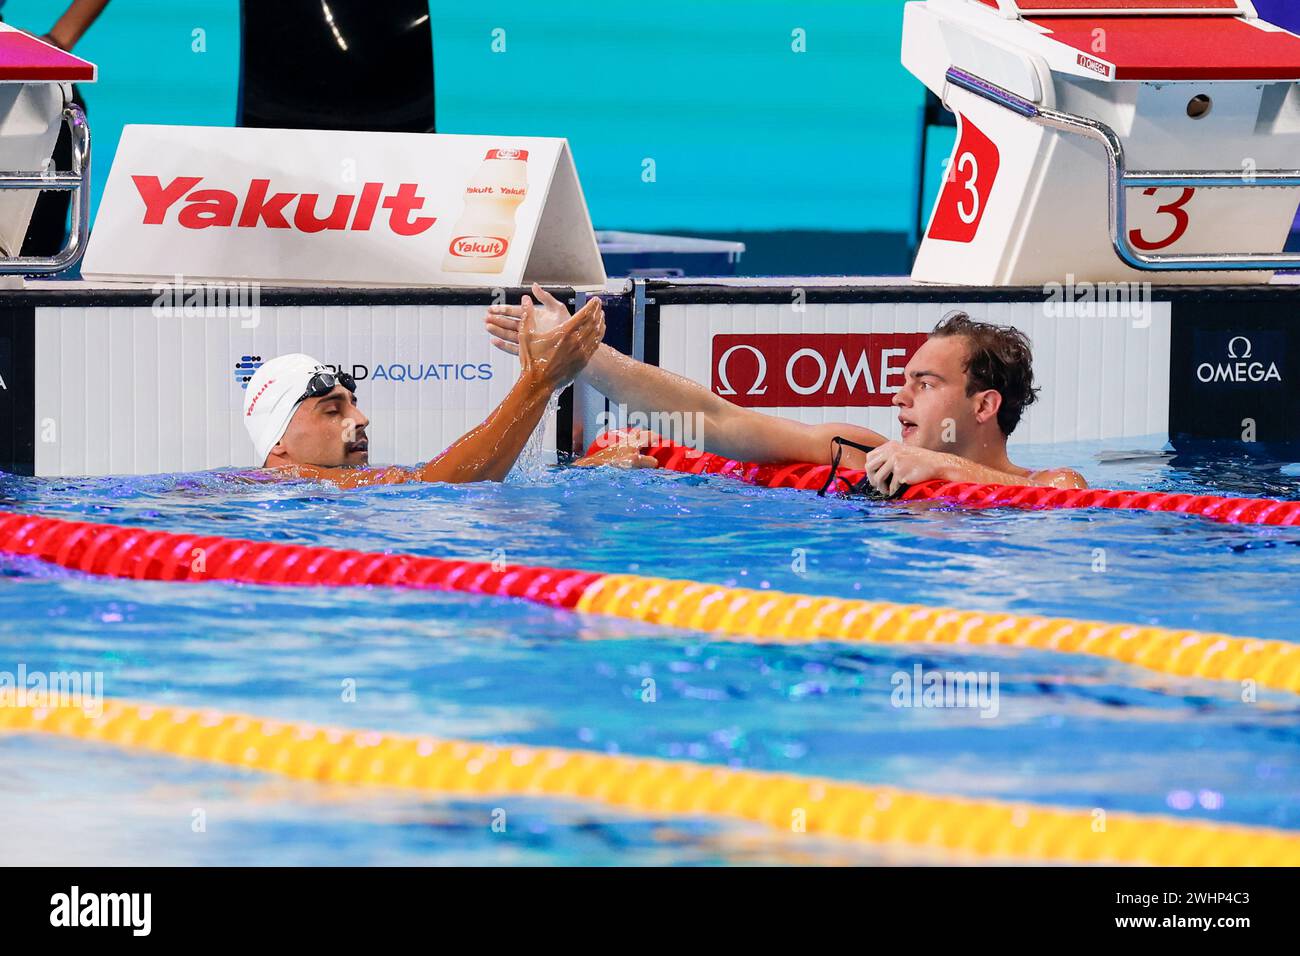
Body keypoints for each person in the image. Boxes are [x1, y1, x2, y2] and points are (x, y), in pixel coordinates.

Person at [485, 286, 1087, 493]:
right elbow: (717, 420)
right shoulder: (859, 450)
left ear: (984, 405)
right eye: (901, 382)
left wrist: (937, 467)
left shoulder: (1055, 487)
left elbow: (1054, 500)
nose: (899, 398)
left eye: (925, 385)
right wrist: (584, 354)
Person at [241, 293, 605, 487]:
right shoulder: (280, 482)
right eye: (332, 410)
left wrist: (587, 471)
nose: (361, 419)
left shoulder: (347, 485)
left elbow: (441, 475)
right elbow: (444, 485)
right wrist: (538, 381)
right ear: (277, 441)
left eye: (353, 404)